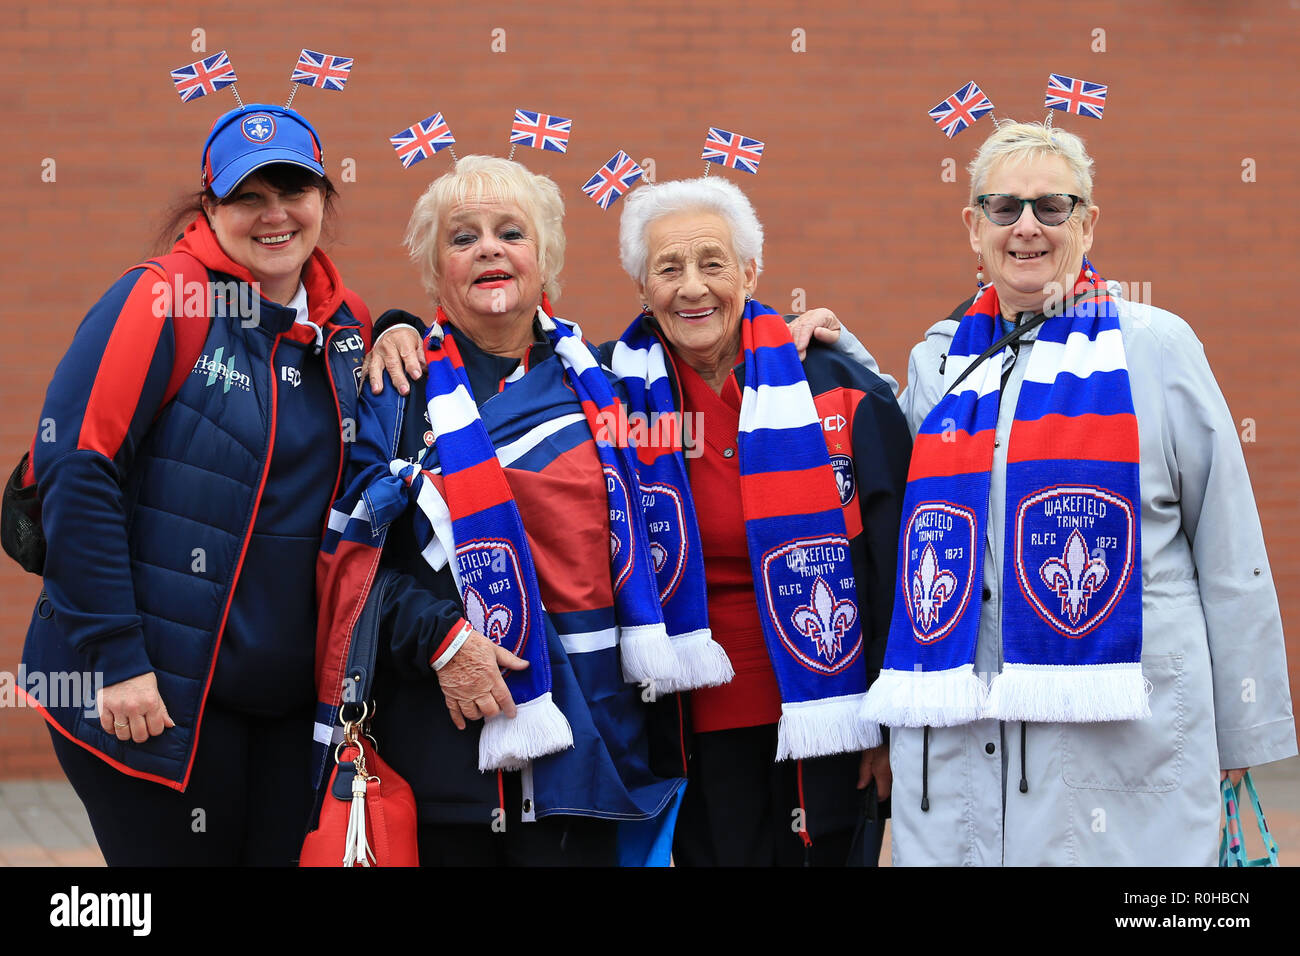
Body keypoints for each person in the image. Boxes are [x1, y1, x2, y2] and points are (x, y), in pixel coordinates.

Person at [861, 120, 1297, 865]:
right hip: (965, 748)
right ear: (974, 228)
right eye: (1004, 208)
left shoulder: (1156, 347)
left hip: (1127, 740)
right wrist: (836, 357)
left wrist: (1241, 730)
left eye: (1052, 207)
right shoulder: (938, 365)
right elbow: (889, 493)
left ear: (1087, 224)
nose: (1027, 226)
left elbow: (1229, 549)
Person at [18, 103, 406, 865]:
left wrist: (396, 323)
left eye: (292, 191)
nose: (274, 215)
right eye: (246, 197)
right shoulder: (163, 298)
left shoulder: (348, 325)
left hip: (291, 712)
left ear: (324, 201)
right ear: (209, 208)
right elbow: (76, 470)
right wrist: (118, 660)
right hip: (152, 697)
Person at [322, 155, 687, 866]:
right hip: (448, 766)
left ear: (544, 257)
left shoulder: (612, 390)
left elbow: (714, 343)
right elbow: (353, 568)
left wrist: (808, 343)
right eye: (463, 238)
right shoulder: (393, 394)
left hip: (591, 757)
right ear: (435, 272)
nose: (488, 248)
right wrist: (442, 637)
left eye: (510, 232)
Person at [598, 177, 911, 866]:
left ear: (750, 272)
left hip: (828, 719)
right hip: (678, 732)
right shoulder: (608, 402)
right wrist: (397, 330)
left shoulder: (836, 387)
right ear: (642, 290)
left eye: (712, 262)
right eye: (668, 268)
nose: (692, 287)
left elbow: (893, 569)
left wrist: (891, 728)